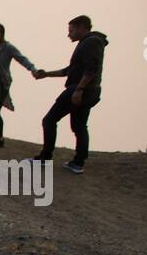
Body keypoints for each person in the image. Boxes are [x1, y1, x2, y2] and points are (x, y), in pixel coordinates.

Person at [31, 16, 110, 174]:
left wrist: (79, 90)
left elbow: (91, 70)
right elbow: (69, 70)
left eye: (71, 30)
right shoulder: (88, 42)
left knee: (49, 120)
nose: (69, 34)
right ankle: (78, 163)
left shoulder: (91, 42)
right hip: (89, 90)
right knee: (79, 126)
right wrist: (46, 74)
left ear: (81, 27)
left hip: (81, 90)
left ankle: (45, 157)